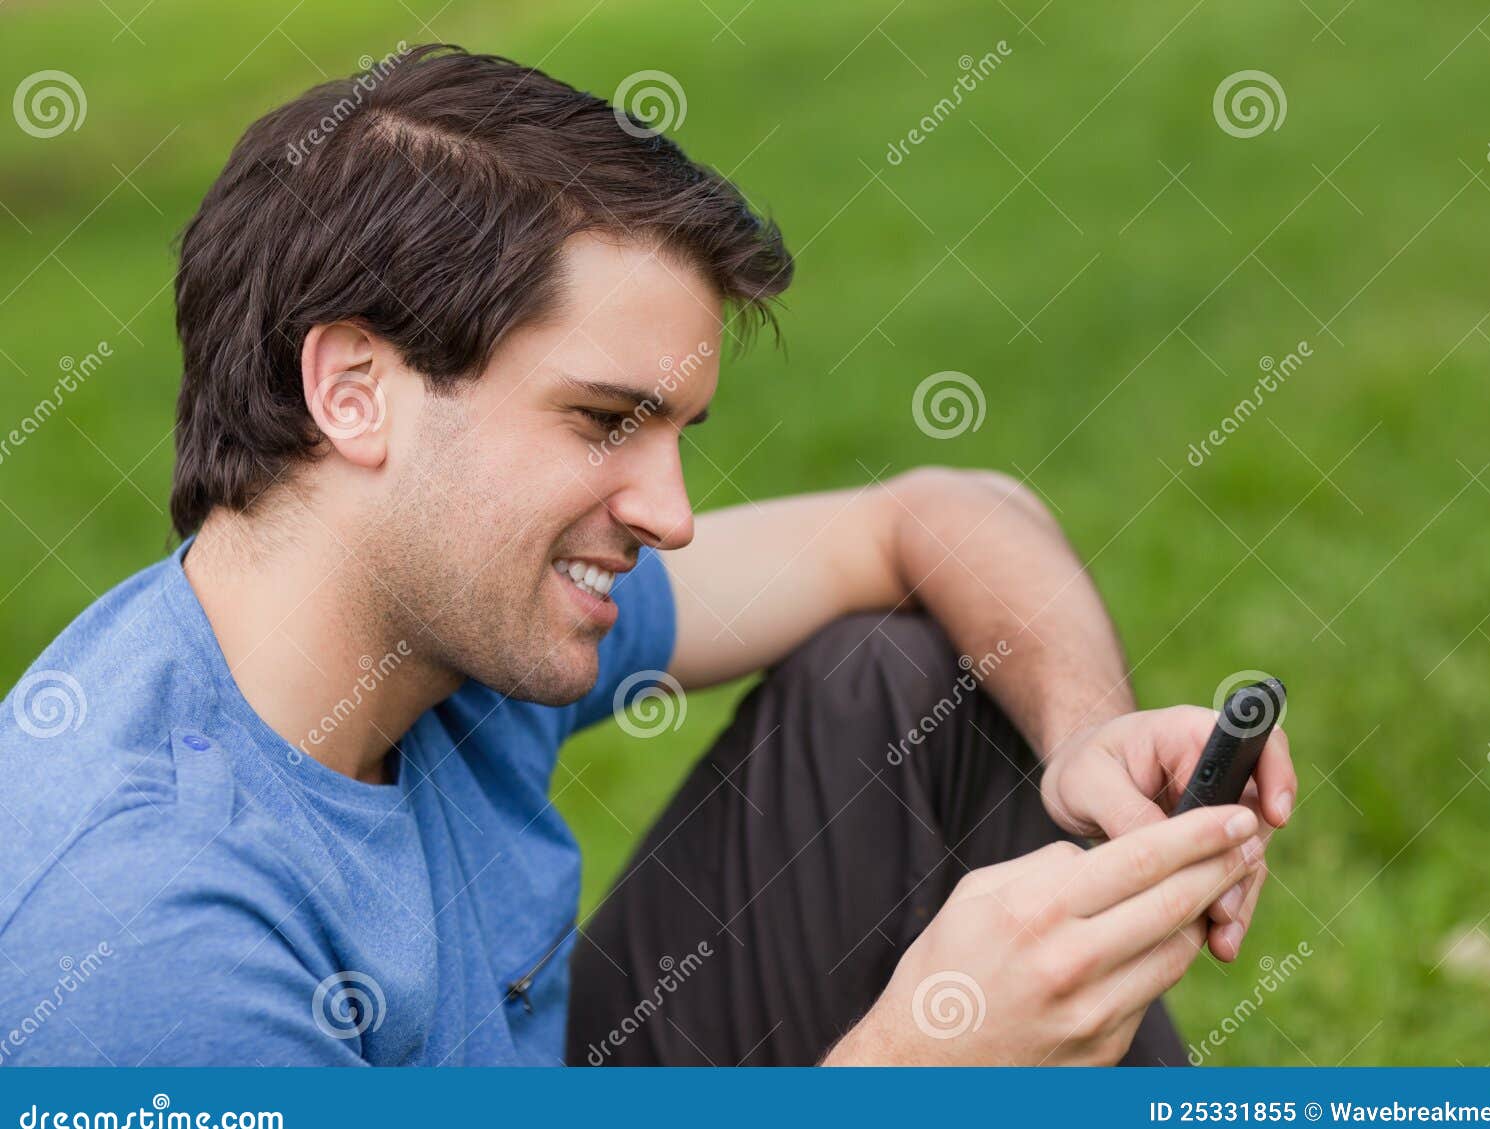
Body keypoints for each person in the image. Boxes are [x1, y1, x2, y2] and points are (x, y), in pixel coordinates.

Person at [0, 45, 1293, 1067]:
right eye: (601, 420)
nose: (670, 512)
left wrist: (1082, 735)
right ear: (354, 390)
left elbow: (936, 513)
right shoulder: (148, 936)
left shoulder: (453, 618)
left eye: (673, 433)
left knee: (898, 681)